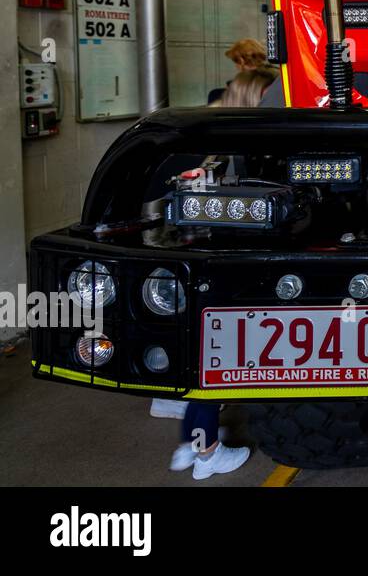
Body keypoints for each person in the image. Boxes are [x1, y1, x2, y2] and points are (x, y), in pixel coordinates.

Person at [163, 67, 274, 478]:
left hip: (202, 257)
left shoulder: (212, 141)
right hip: (235, 262)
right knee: (223, 355)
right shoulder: (253, 145)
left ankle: (190, 444)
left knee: (205, 352)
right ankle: (206, 452)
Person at [208, 38, 270, 104]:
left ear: (241, 61)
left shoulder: (239, 85)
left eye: (236, 61)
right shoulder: (274, 79)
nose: (236, 66)